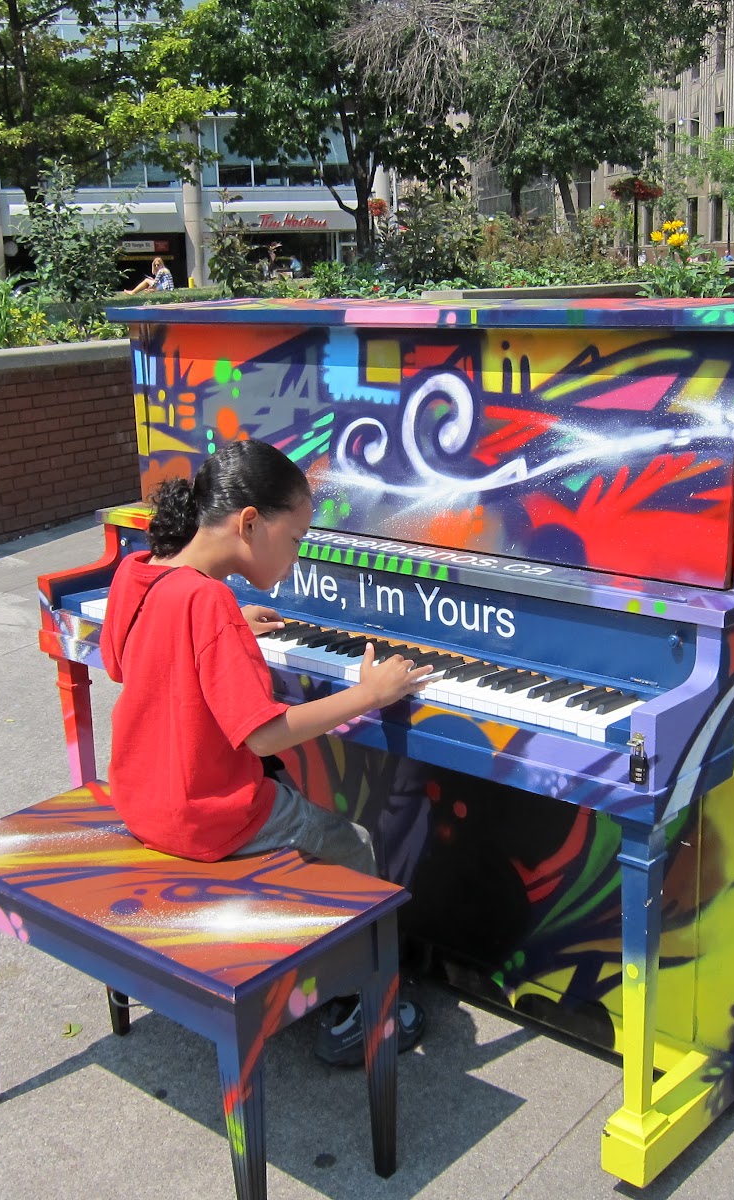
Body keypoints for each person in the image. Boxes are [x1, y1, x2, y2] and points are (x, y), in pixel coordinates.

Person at [101, 439, 430, 1066]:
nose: (299, 553)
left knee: (286, 786)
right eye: (298, 536)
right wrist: (370, 692)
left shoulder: (141, 573)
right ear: (250, 522)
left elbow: (123, 658)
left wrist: (222, 634)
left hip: (140, 799)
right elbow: (264, 735)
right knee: (354, 843)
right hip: (207, 816)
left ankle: (305, 956)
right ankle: (361, 1005)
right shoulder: (208, 604)